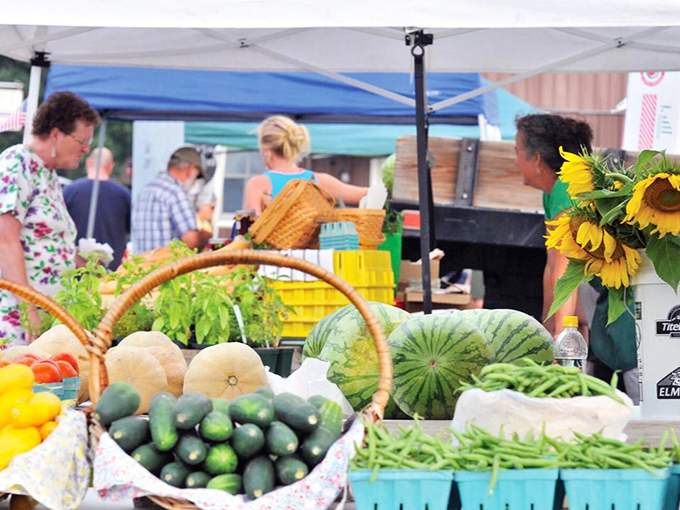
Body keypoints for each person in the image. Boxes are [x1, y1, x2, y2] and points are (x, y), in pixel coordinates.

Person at [0, 91, 100, 346]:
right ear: (56, 134)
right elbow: (5, 239)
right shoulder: (18, 162)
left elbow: (44, 241)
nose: (87, 149)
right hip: (17, 317)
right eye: (82, 140)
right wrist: (28, 308)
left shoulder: (47, 172)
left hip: (46, 313)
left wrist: (86, 264)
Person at [514, 114, 592, 340]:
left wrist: (561, 335)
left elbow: (566, 265)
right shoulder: (553, 193)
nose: (515, 161)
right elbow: (552, 263)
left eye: (517, 152)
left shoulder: (567, 187)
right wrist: (547, 327)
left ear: (537, 159)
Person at [244, 115, 368, 214]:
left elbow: (249, 233)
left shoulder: (258, 185)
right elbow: (367, 194)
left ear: (265, 150)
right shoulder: (320, 181)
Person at [131, 146, 211, 254]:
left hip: (140, 266)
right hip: (165, 267)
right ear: (190, 170)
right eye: (197, 176)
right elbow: (191, 240)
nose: (194, 181)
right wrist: (206, 236)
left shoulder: (145, 190)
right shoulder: (175, 192)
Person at [63, 148, 131, 270]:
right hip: (111, 271)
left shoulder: (70, 191)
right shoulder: (123, 194)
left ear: (88, 163)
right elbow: (128, 229)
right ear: (111, 166)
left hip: (76, 267)